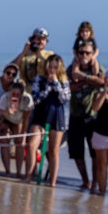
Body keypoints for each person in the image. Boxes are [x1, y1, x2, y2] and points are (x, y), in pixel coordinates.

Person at [24, 54, 70, 186]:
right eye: (50, 66)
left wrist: (55, 84)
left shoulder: (63, 81)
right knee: (32, 144)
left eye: (55, 67)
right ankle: (29, 175)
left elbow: (65, 99)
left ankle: (52, 182)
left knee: (53, 150)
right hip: (40, 114)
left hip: (57, 115)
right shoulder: (39, 79)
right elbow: (36, 98)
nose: (52, 70)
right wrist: (47, 88)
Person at [67, 38, 104, 190]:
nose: (84, 55)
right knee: (76, 151)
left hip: (92, 116)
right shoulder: (71, 68)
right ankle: (85, 180)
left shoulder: (97, 68)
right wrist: (88, 81)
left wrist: (84, 77)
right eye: (81, 52)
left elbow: (102, 82)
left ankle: (95, 181)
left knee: (94, 152)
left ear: (93, 54)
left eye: (87, 52)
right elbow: (70, 86)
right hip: (75, 114)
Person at [0, 80, 34, 177]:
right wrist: (6, 113)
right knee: (4, 140)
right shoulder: (5, 98)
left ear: (21, 94)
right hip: (5, 119)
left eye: (17, 94)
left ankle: (19, 172)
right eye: (13, 94)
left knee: (20, 143)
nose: (15, 96)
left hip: (19, 120)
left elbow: (26, 119)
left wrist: (22, 133)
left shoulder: (27, 99)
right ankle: (7, 170)